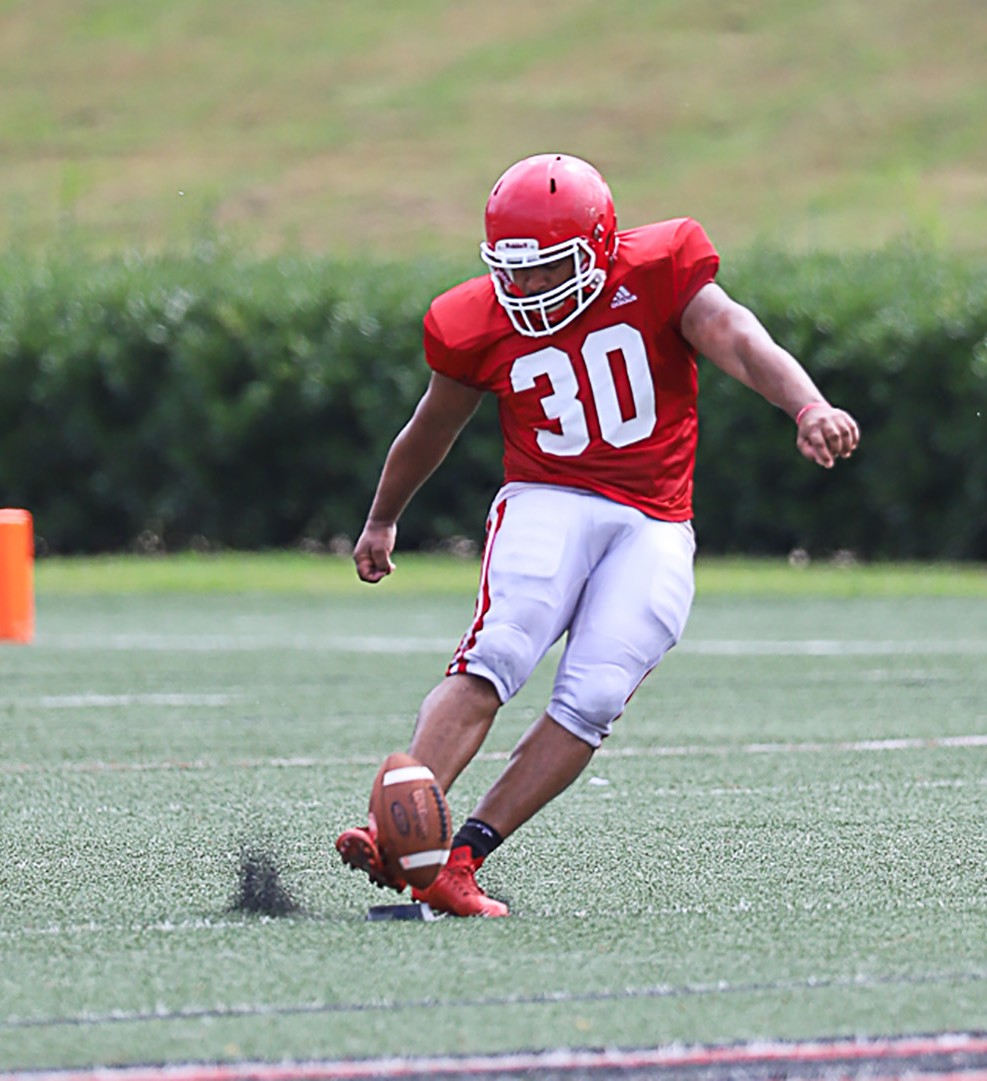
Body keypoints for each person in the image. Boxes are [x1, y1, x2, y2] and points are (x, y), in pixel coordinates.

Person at [336, 152, 861, 917]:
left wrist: (806, 403)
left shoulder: (658, 270)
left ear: (602, 245)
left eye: (549, 267)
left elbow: (738, 336)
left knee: (594, 695)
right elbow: (431, 429)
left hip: (652, 518)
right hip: (548, 496)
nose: (529, 288)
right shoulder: (477, 318)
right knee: (500, 647)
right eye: (513, 270)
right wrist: (383, 514)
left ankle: (459, 859)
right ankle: (399, 827)